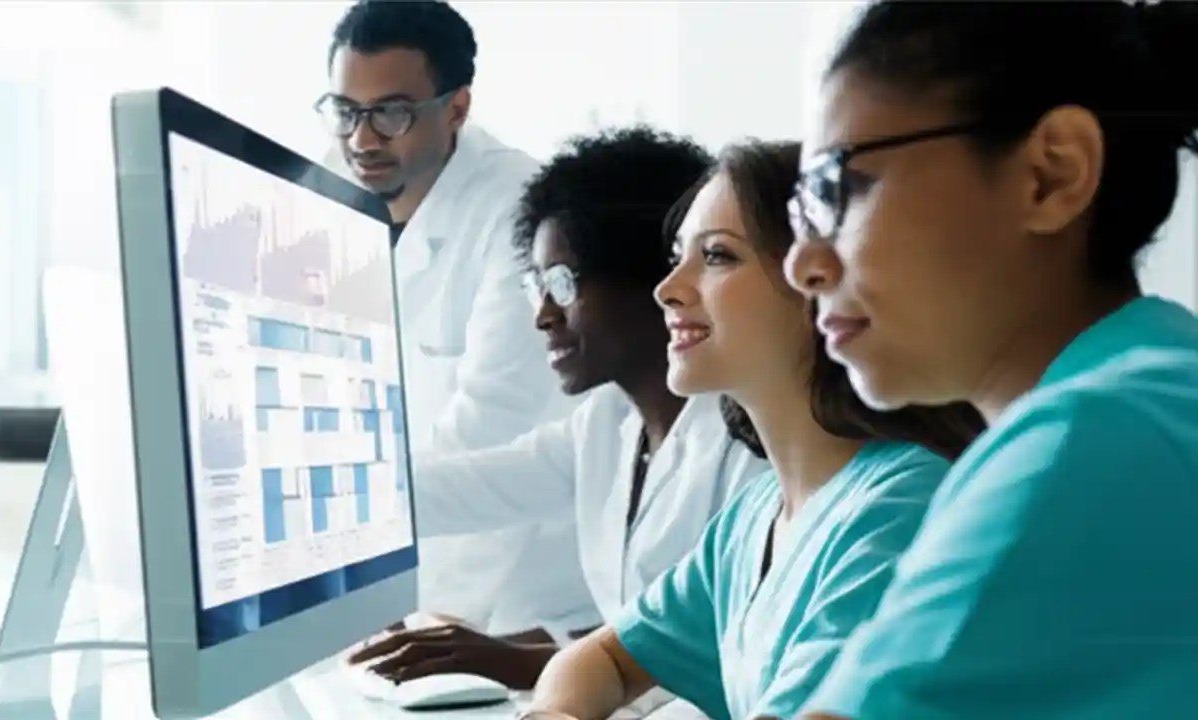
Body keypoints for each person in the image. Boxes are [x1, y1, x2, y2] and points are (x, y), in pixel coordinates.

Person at [780, 2, 1198, 719]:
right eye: (802, 212)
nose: (802, 265)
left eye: (837, 189)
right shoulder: (1156, 382)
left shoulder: (1091, 437)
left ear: (1051, 174)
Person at [522, 140, 985, 720]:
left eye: (716, 256)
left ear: (819, 278)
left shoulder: (899, 507)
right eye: (676, 256)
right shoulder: (753, 518)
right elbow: (602, 659)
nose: (667, 289)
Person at [345, 128, 769, 704]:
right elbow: (471, 486)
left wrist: (518, 661)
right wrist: (318, 491)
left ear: (651, 279)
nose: (543, 315)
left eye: (563, 283)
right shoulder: (606, 424)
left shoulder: (751, 445)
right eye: (536, 285)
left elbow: (726, 660)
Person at [316, 0, 591, 636]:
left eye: (391, 113)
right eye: (345, 112)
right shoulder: (327, 187)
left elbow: (490, 422)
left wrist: (341, 522)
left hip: (507, 585)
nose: (362, 139)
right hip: (383, 559)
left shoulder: (520, 207)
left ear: (457, 108)